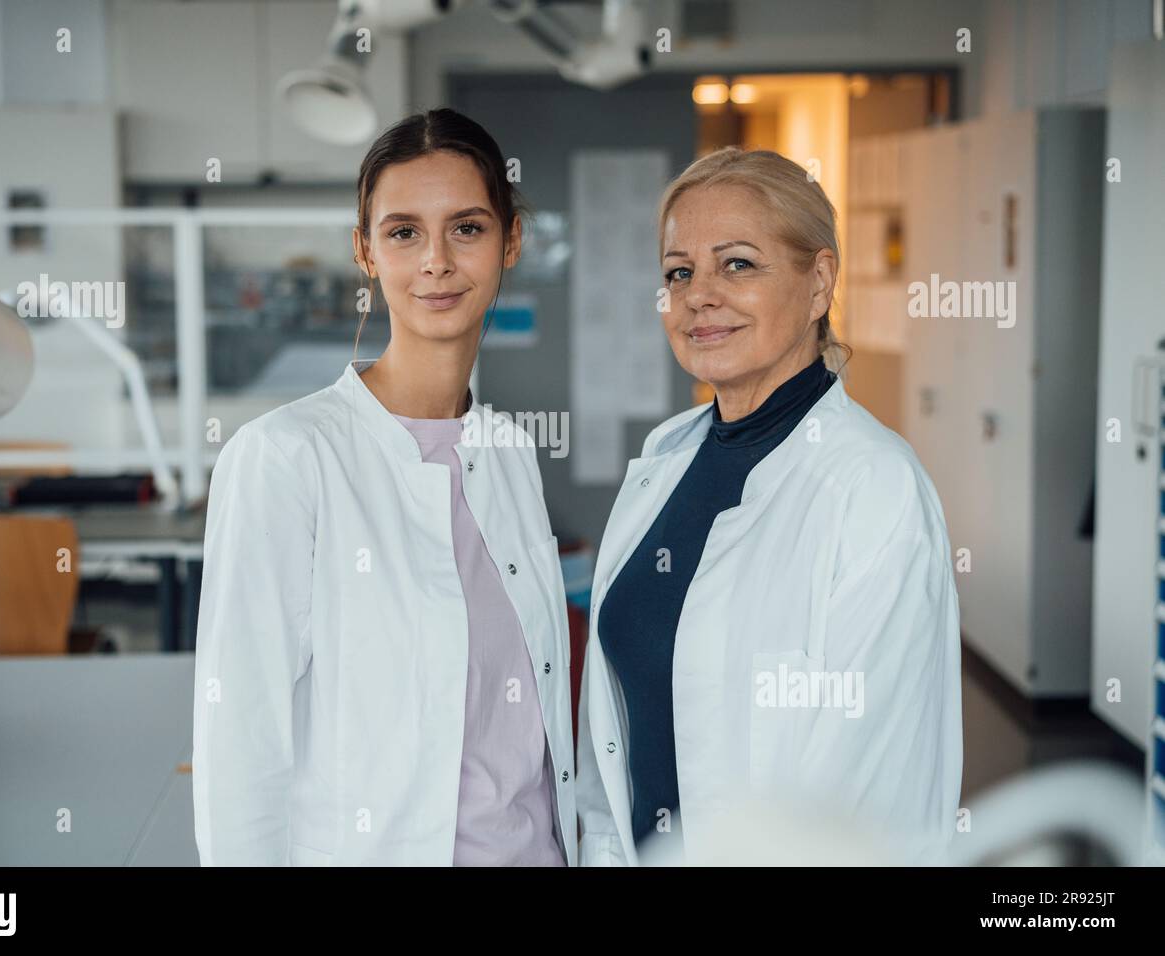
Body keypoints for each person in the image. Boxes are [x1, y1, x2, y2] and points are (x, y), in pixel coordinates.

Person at [193, 108, 575, 866]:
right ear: (366, 252)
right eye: (403, 232)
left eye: (466, 227)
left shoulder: (507, 452)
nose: (435, 260)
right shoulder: (285, 459)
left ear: (511, 242)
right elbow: (238, 743)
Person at [576, 147, 963, 865]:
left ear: (819, 283)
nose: (699, 295)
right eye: (678, 272)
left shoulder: (872, 488)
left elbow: (873, 788)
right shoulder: (667, 460)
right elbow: (615, 742)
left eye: (738, 264)